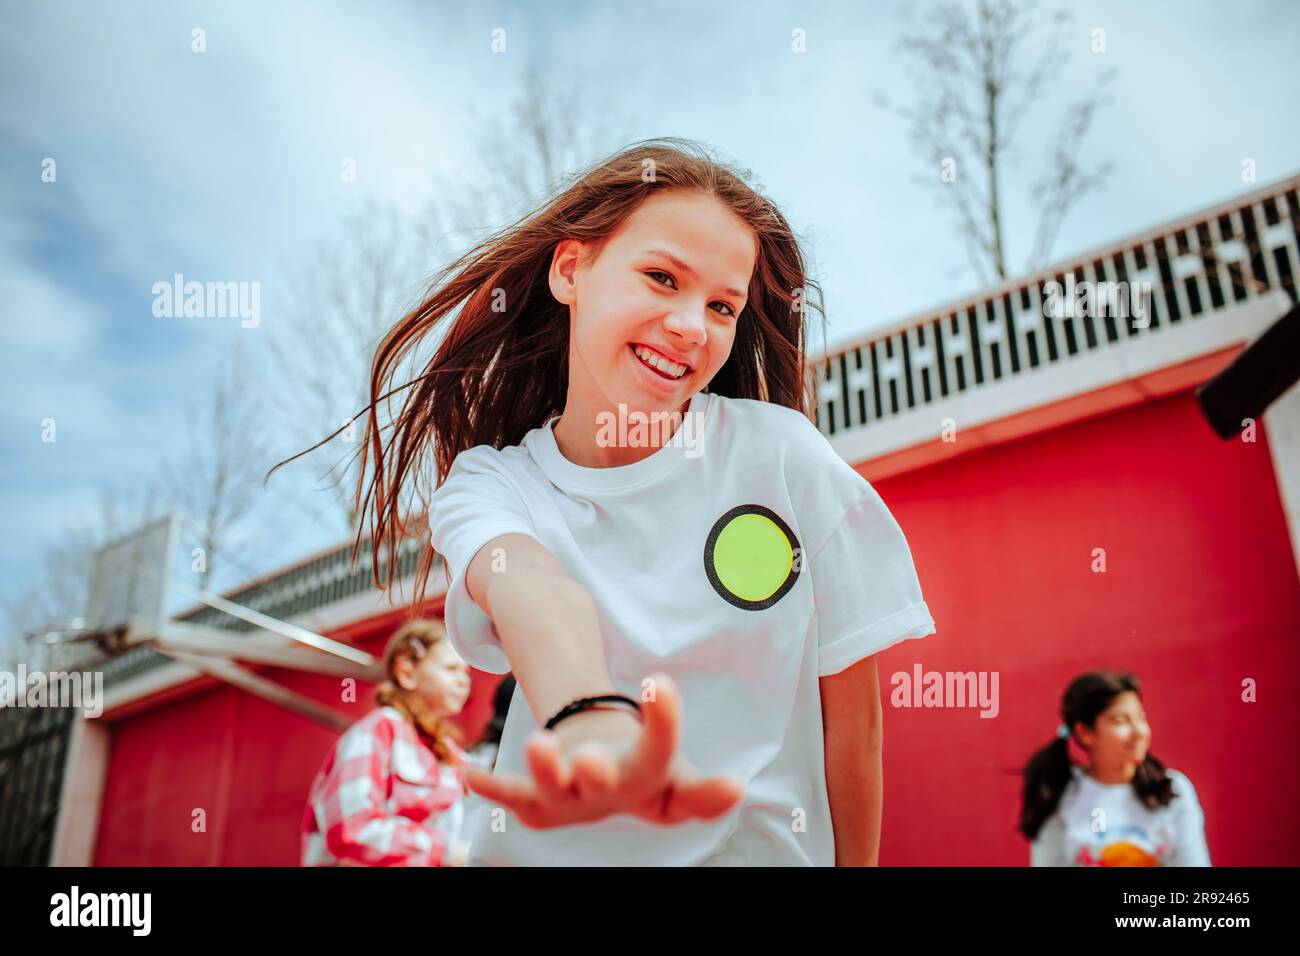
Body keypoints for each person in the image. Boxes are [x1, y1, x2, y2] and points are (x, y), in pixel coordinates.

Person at [352, 137, 937, 865]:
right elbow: (531, 586)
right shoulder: (494, 486)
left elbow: (856, 727)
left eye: (723, 306)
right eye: (663, 277)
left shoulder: (785, 460)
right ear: (572, 269)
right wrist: (589, 716)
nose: (694, 325)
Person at [301, 618, 473, 866]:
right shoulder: (379, 730)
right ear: (406, 672)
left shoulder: (452, 754)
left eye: (466, 672)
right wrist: (445, 851)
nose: (463, 680)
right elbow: (351, 828)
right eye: (450, 668)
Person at [1020, 671, 1211, 867]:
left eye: (1140, 718)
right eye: (1120, 721)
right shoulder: (1059, 794)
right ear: (1085, 733)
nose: (1138, 731)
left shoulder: (1172, 789)